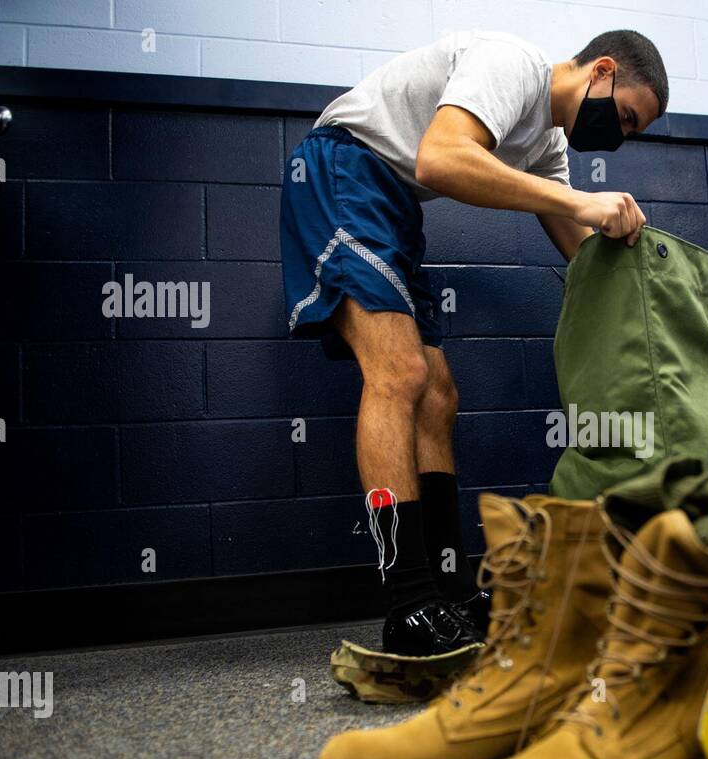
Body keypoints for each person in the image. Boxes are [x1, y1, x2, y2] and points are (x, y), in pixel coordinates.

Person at [280, 29, 669, 658]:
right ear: (601, 71)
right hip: (342, 170)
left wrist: (652, 299)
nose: (619, 134)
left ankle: (445, 590)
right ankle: (407, 603)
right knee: (400, 375)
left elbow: (578, 248)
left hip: (392, 201)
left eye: (632, 131)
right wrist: (583, 202)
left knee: (438, 397)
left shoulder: (545, 145)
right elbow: (441, 159)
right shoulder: (512, 65)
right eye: (624, 116)